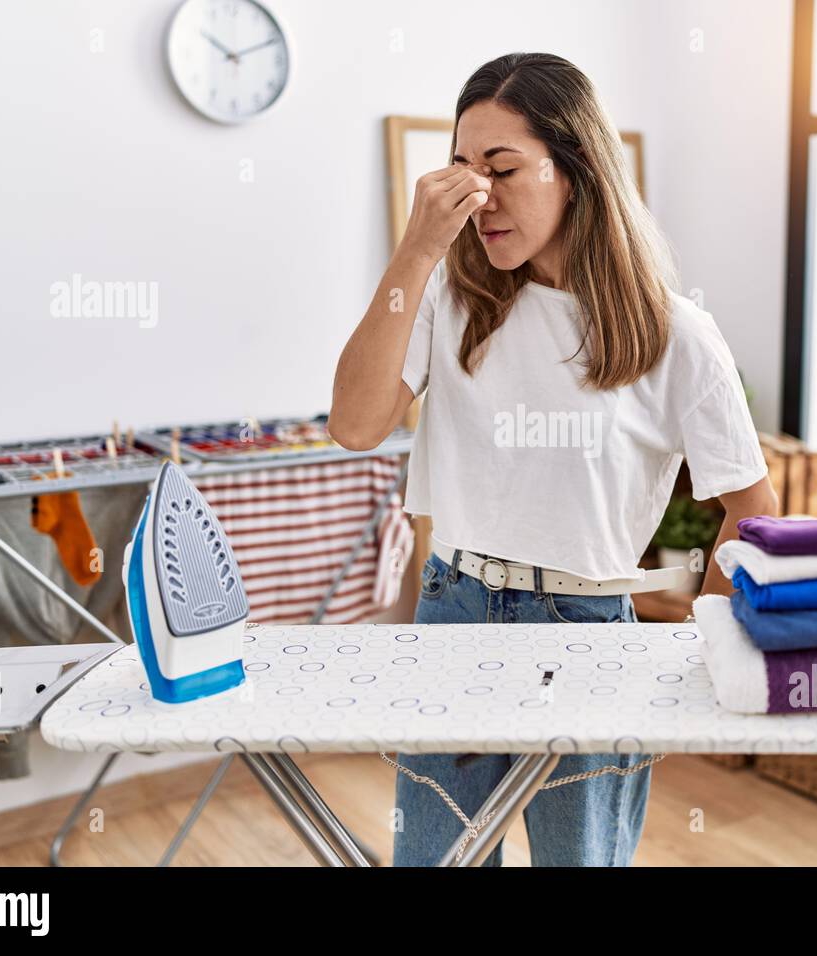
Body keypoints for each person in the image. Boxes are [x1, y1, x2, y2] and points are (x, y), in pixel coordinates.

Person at [329, 52, 778, 867]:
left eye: (502, 168)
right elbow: (355, 425)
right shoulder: (449, 298)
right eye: (464, 169)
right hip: (454, 611)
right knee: (434, 861)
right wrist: (415, 253)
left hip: (593, 633)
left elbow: (755, 512)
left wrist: (700, 649)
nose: (479, 194)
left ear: (574, 168)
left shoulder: (676, 334)